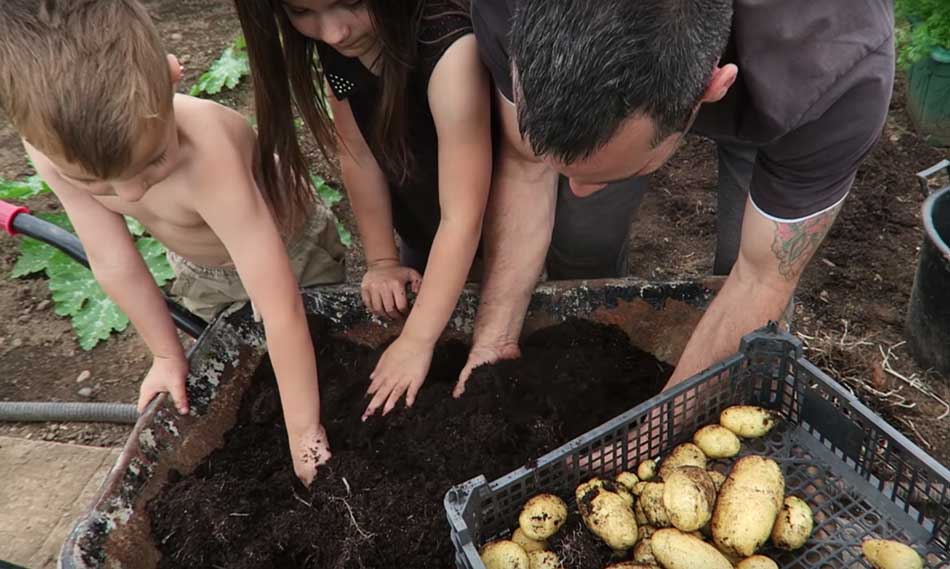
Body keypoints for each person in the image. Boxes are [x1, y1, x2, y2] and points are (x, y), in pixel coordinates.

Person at [455, 0, 894, 395]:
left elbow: (762, 277)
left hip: (779, 77)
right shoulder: (505, 10)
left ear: (713, 87)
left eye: (615, 170)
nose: (578, 191)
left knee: (736, 269)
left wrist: (649, 438)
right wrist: (494, 339)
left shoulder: (837, 72)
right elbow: (525, 163)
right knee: (585, 234)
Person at [0, 0, 346, 485]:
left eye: (153, 163)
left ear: (171, 76)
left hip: (289, 250)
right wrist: (165, 354)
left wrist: (305, 438)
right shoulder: (54, 151)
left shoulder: (209, 155)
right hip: (198, 265)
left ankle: (318, 407)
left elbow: (281, 304)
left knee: (324, 345)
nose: (131, 194)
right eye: (98, 184)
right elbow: (114, 260)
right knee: (239, 350)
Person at [233, 0, 492, 419]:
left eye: (351, 2)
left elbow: (465, 215)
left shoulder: (449, 49)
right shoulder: (343, 44)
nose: (334, 32)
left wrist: (416, 341)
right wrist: (381, 260)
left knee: (501, 294)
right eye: (302, 13)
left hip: (491, 205)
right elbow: (358, 156)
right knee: (427, 290)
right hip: (423, 207)